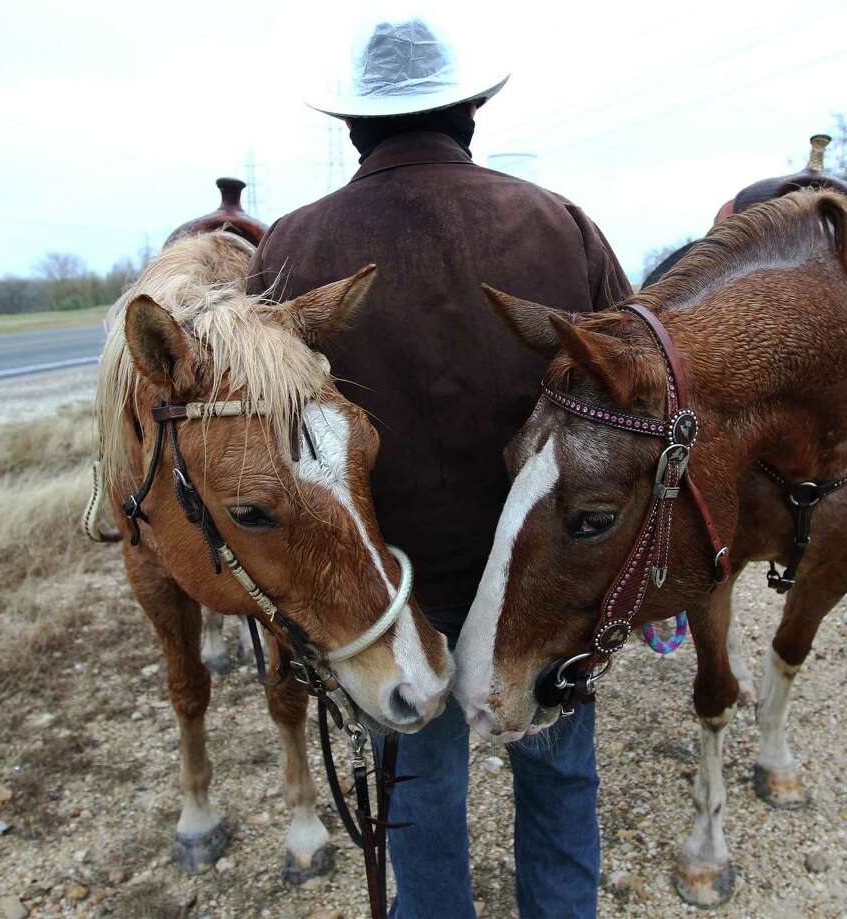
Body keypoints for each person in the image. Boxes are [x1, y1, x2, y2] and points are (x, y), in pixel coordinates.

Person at [247, 17, 630, 919]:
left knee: (416, 800)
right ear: (470, 114)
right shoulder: (561, 224)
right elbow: (630, 408)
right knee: (560, 781)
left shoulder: (287, 249)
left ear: (352, 129)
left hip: (386, 600)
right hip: (540, 592)